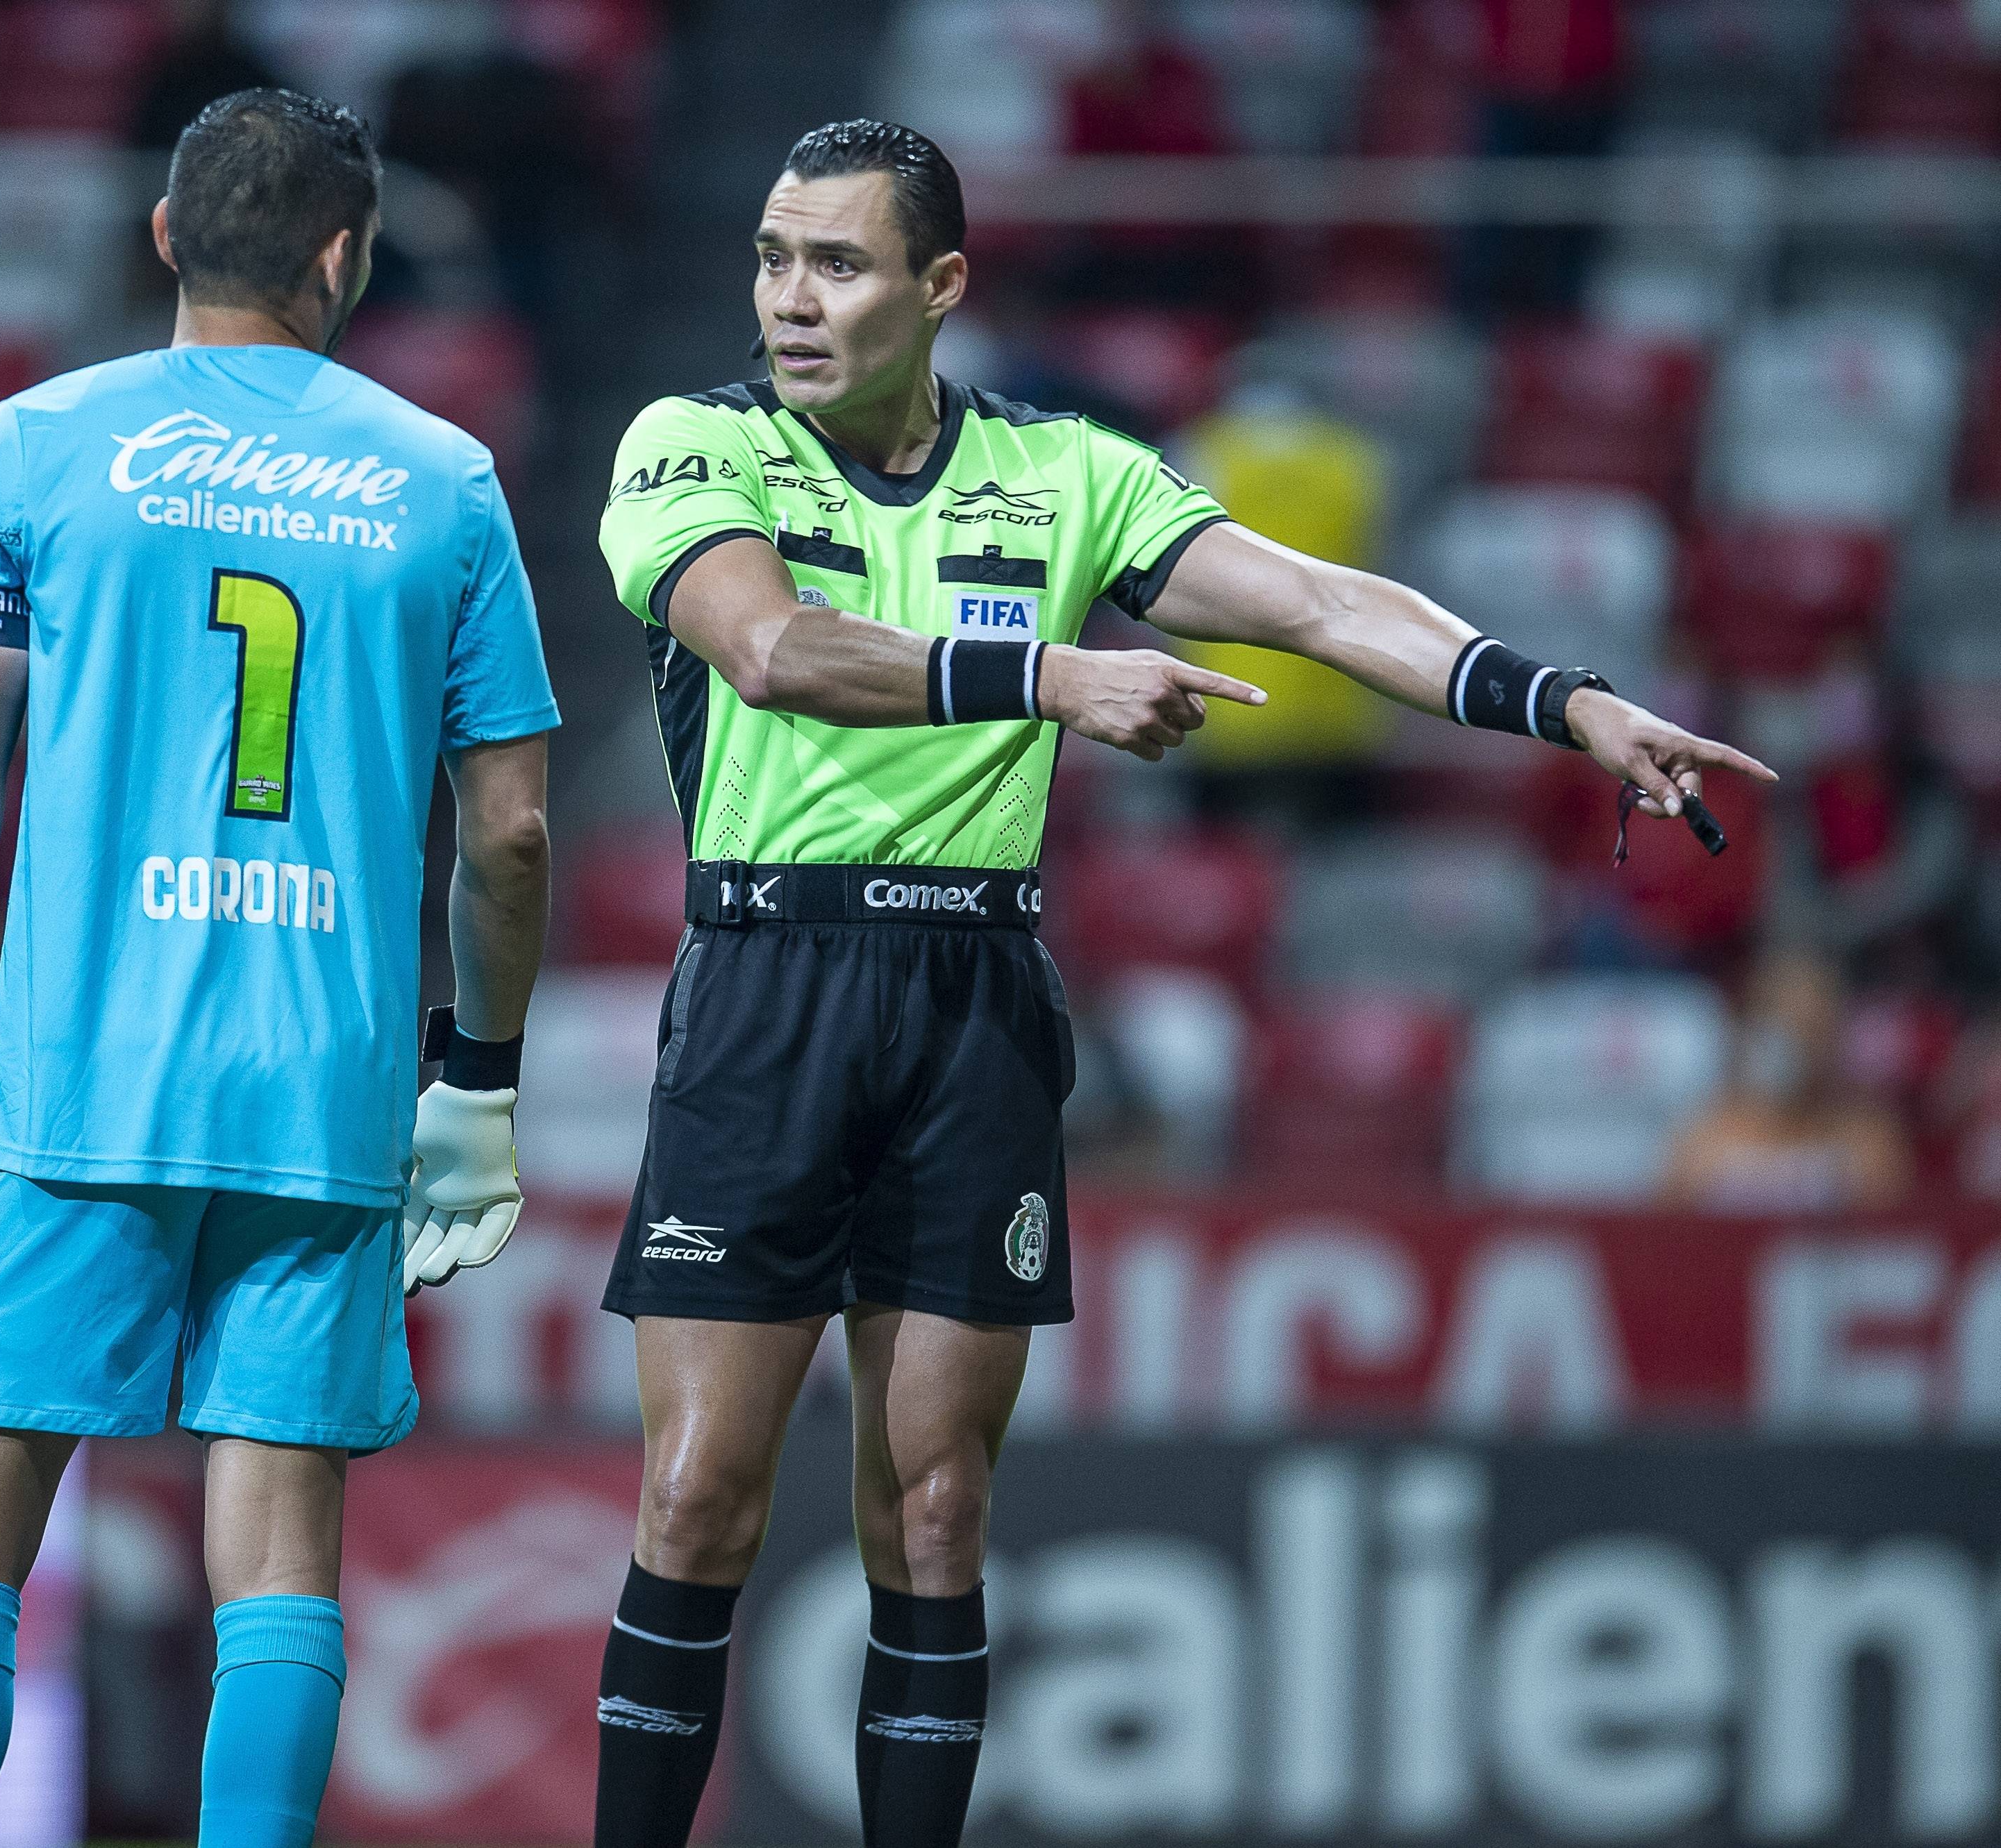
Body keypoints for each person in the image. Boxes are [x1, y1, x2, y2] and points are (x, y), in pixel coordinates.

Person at [590, 118, 1776, 1848]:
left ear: (939, 288)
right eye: (772, 256)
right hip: (770, 979)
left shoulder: (1069, 476)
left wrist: (1560, 698)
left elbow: (1309, 601)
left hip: (968, 998)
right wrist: (1049, 674)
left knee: (933, 1511)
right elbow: (771, 650)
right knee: (698, 1498)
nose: (789, 297)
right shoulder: (696, 444)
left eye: (835, 263)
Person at [0, 88, 557, 1848]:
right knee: (277, 1553)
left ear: (165, 238)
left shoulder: (26, 446)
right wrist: (477, 1083)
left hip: (80, 1072)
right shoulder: (445, 479)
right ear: (347, 257)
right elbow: (515, 834)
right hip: (319, 1089)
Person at [1664, 950, 1915, 1211]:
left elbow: (1888, 1228)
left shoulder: (1870, 1140)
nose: (1802, 1046)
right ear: (1755, 1033)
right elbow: (1674, 1229)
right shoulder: (1706, 1136)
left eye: (1814, 1029)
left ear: (1836, 1037)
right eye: (1787, 1027)